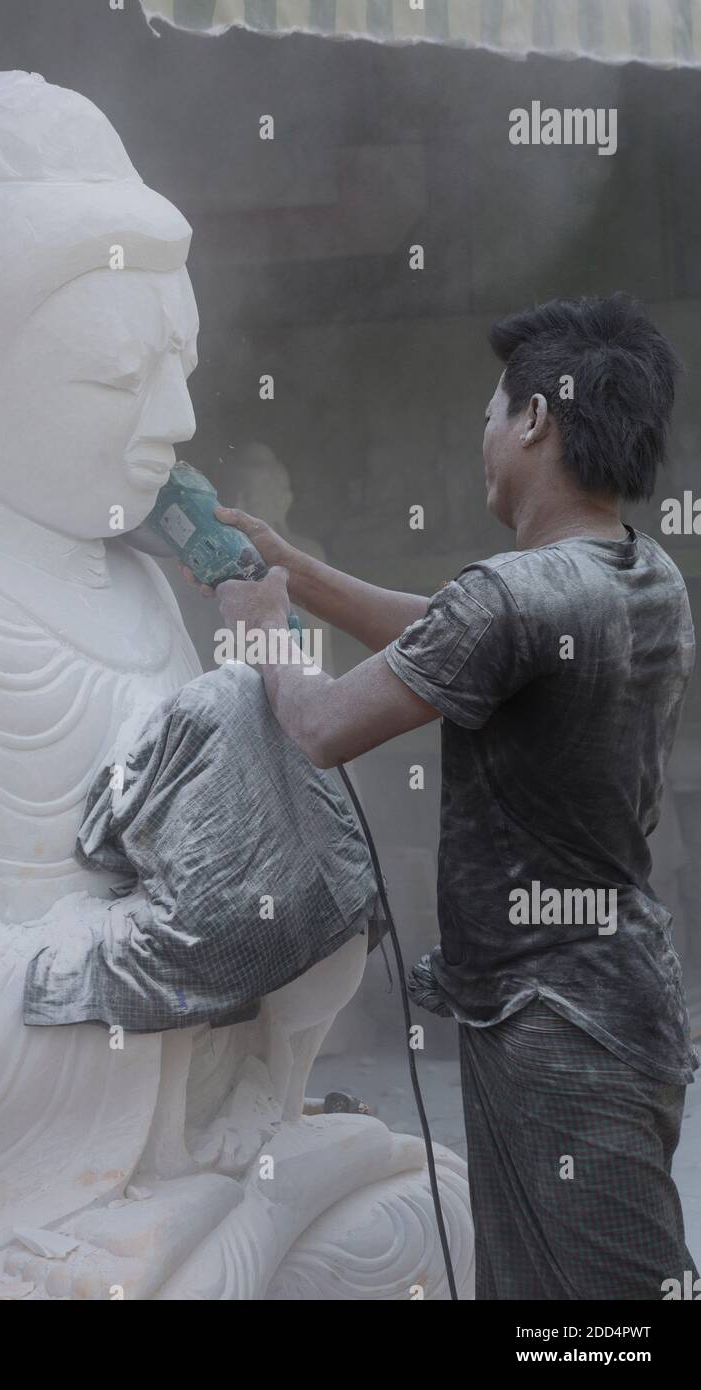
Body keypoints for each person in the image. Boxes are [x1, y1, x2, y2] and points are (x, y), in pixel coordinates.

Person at [191, 293, 699, 1300]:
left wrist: (260, 629)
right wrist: (296, 569)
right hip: (611, 1000)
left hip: (556, 1030)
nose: (481, 440)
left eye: (485, 416)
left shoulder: (512, 598)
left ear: (534, 422)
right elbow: (451, 631)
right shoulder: (643, 574)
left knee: (610, 1309)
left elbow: (327, 721)